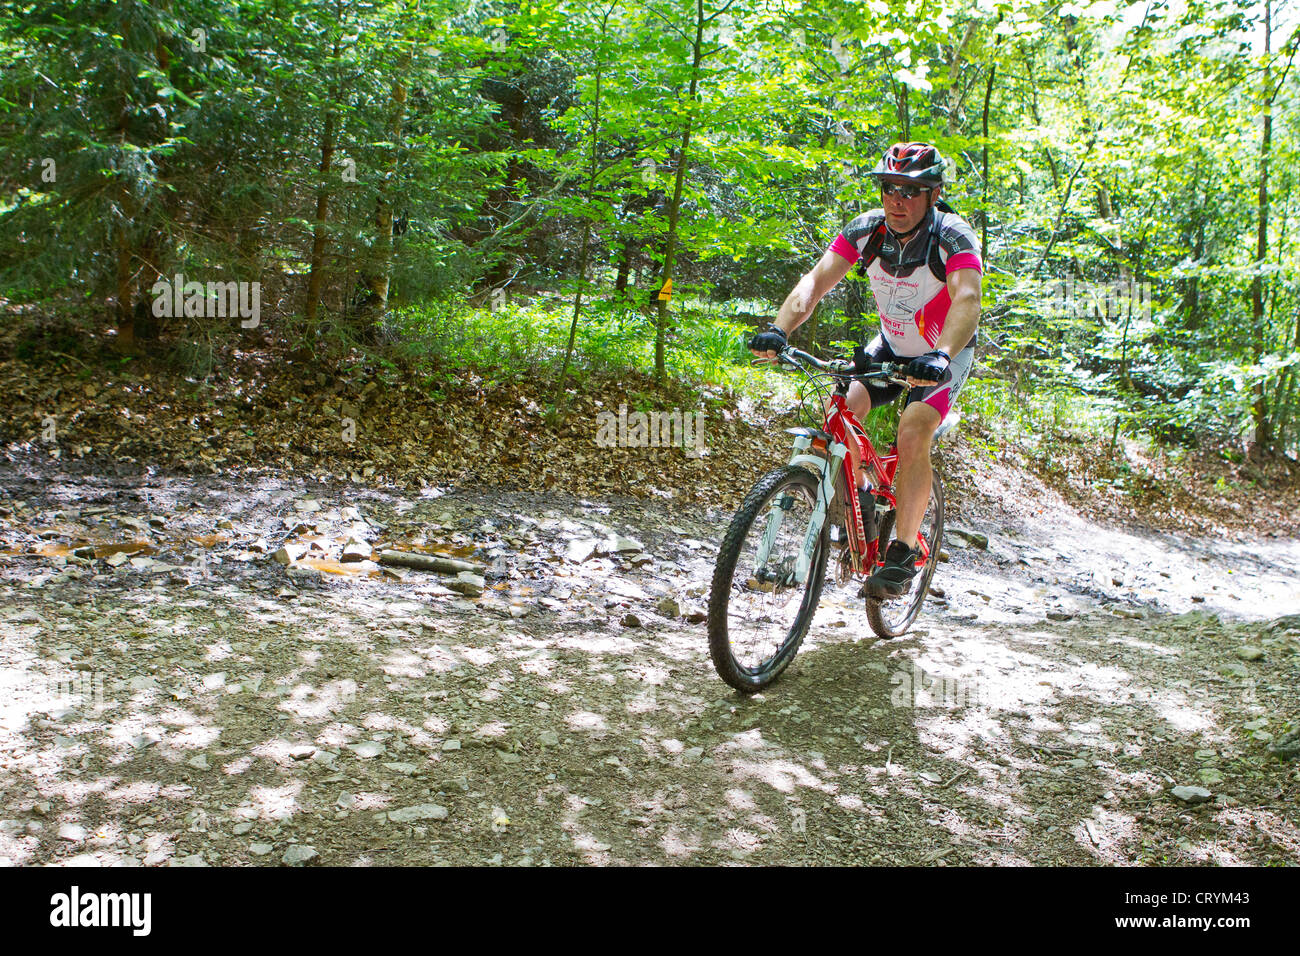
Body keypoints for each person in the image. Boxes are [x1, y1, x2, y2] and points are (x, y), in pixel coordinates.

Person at [748, 142, 982, 599]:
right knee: (842, 412)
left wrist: (941, 354)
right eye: (889, 188)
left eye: (911, 191)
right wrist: (779, 329)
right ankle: (863, 505)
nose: (897, 200)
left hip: (942, 354)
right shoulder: (867, 231)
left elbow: (968, 299)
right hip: (890, 346)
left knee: (914, 433)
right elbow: (815, 281)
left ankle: (904, 552)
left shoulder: (952, 235)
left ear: (933, 195)